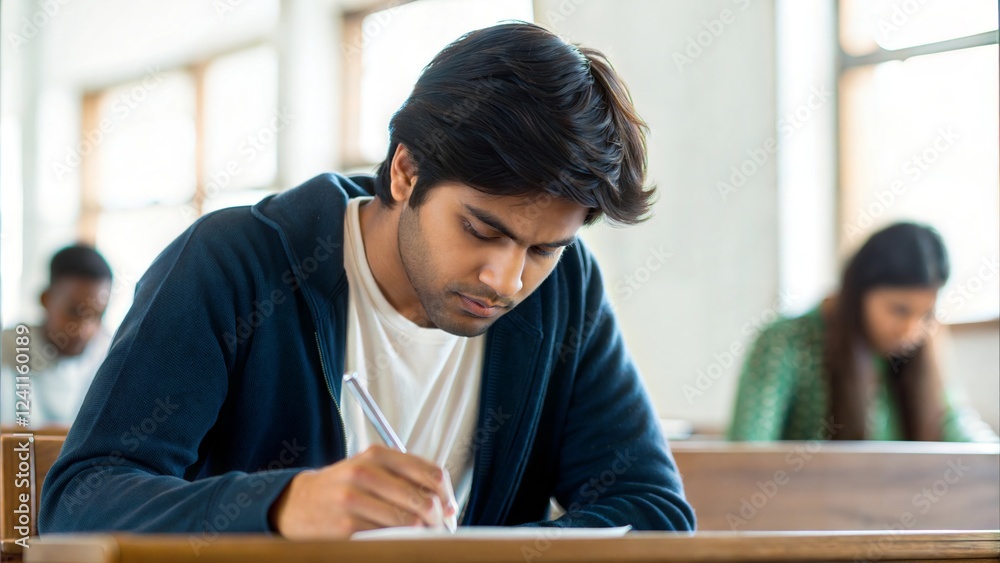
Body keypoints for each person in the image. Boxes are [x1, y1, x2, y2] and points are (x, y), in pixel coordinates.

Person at [40, 23, 696, 538]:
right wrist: (283, 504)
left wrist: (483, 552)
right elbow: (80, 499)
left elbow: (651, 507)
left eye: (544, 248)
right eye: (480, 229)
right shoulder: (230, 262)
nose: (505, 279)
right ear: (406, 171)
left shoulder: (566, 289)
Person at [728, 222, 998, 442]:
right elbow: (747, 449)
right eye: (899, 310)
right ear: (858, 294)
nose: (912, 330)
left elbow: (954, 421)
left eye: (926, 315)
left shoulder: (919, 353)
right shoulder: (786, 341)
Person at [1, 244, 113, 429]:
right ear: (45, 299)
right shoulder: (6, 349)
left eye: (97, 315)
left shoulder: (109, 358)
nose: (84, 330)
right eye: (74, 312)